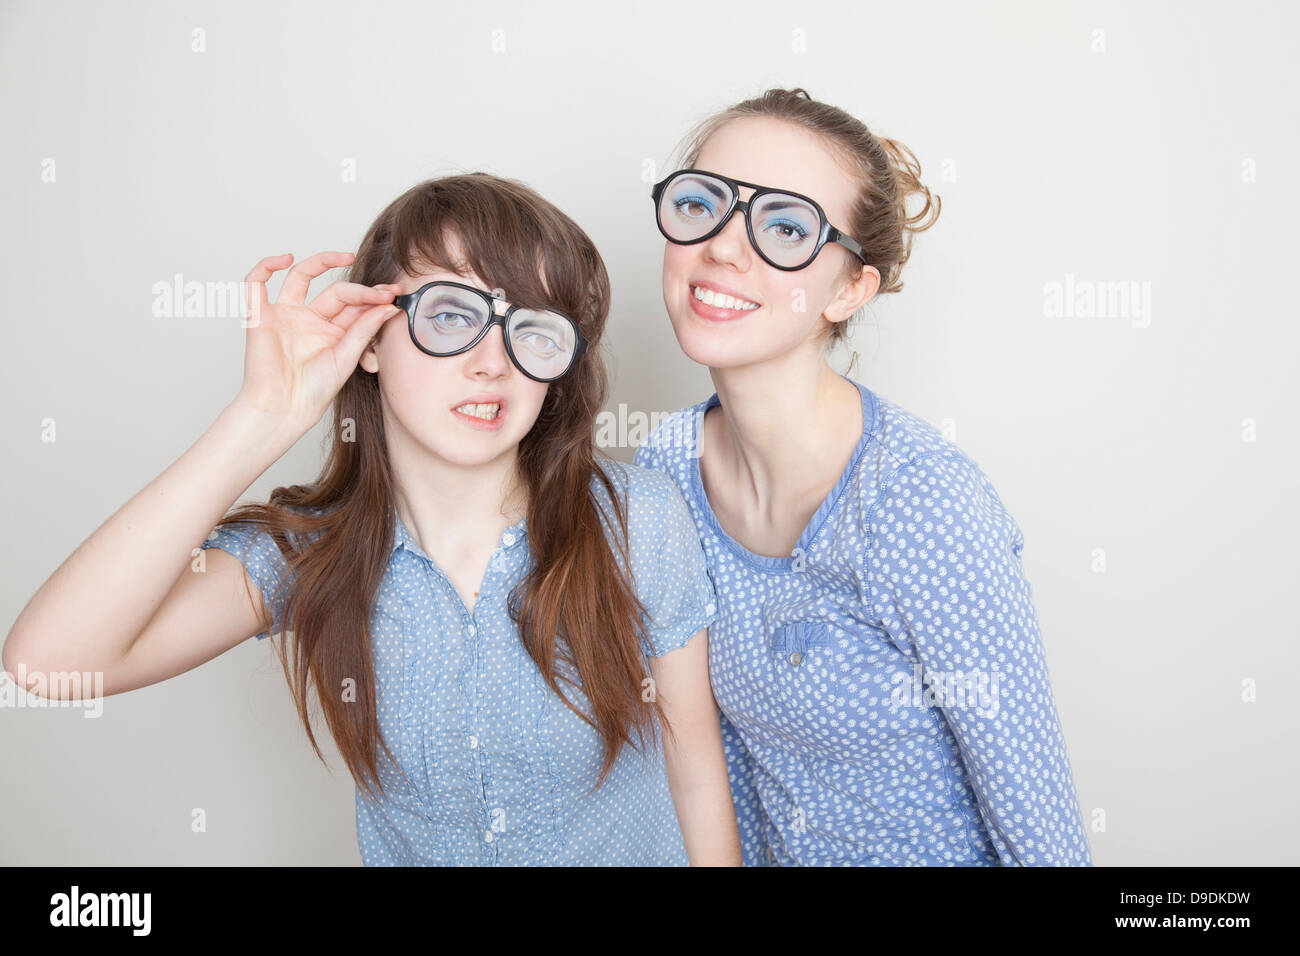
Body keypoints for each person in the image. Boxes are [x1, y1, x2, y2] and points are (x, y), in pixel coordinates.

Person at [3, 173, 741, 866]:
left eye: (534, 330)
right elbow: (49, 663)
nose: (493, 362)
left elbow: (696, 772)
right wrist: (261, 419)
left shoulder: (633, 518)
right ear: (371, 338)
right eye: (452, 314)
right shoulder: (307, 553)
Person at [635, 88, 1092, 866]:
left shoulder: (921, 503)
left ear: (849, 289)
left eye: (785, 227)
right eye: (703, 203)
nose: (721, 246)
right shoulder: (664, 469)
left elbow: (1038, 820)